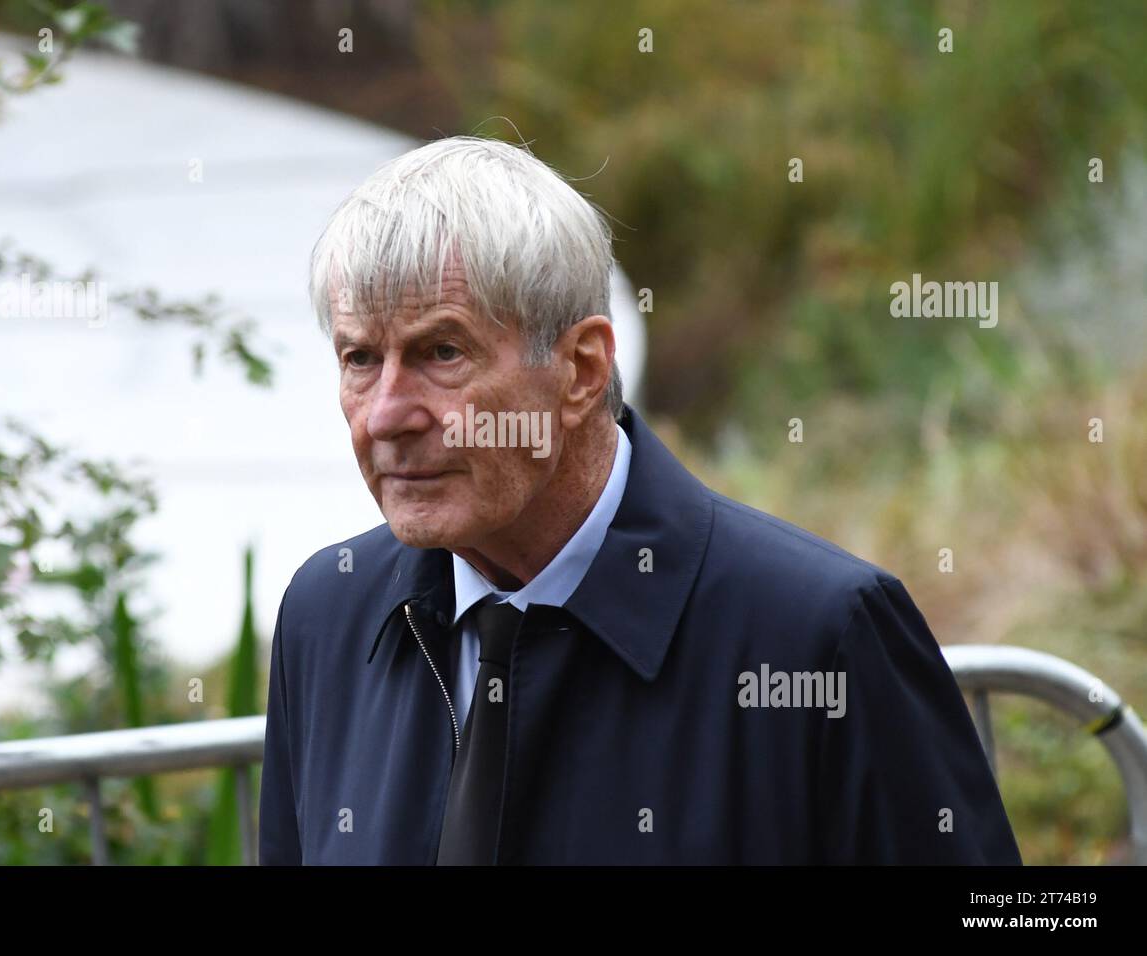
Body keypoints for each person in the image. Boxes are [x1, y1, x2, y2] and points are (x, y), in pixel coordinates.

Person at [259, 135, 1022, 865]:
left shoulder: (816, 632)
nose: (388, 414)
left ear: (582, 370)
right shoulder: (328, 614)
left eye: (442, 352)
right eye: (361, 358)